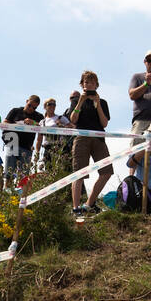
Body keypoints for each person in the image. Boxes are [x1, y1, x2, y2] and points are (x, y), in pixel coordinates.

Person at [68, 70, 110, 216]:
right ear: (82, 84)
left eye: (92, 82)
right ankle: (75, 208)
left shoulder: (102, 102)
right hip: (81, 138)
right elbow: (73, 120)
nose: (89, 85)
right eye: (86, 82)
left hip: (99, 139)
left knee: (107, 171)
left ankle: (89, 204)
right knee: (79, 173)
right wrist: (81, 101)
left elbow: (104, 123)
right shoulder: (76, 101)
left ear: (96, 85)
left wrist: (97, 104)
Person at [3, 94, 43, 183]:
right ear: (26, 101)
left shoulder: (39, 116)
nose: (31, 109)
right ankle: (7, 195)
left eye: (34, 108)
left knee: (24, 177)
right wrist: (18, 124)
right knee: (9, 174)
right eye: (29, 105)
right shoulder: (15, 111)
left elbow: (43, 129)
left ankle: (21, 196)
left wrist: (34, 123)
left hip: (27, 148)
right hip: (12, 143)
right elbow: (4, 124)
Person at [36, 97, 72, 171]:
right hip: (47, 148)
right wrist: (37, 152)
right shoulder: (42, 122)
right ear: (45, 107)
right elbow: (39, 139)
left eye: (54, 104)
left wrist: (61, 125)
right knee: (49, 170)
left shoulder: (61, 118)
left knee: (63, 169)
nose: (52, 106)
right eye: (50, 104)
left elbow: (72, 127)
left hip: (60, 147)